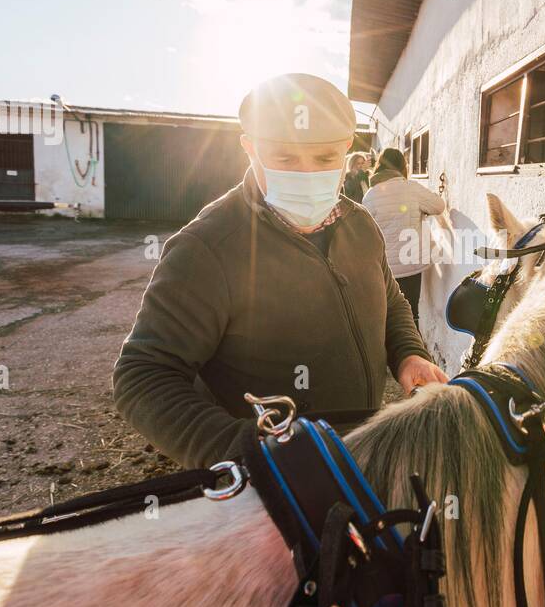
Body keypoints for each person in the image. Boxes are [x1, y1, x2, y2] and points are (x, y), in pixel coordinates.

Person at [113, 74, 449, 470]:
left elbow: (391, 301)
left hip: (359, 456)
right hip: (271, 484)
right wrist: (247, 451)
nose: (307, 174)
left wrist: (409, 354)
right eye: (285, 159)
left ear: (346, 150)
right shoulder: (207, 248)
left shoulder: (360, 224)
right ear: (250, 149)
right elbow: (144, 375)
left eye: (325, 159)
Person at [362, 147, 447, 326]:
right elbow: (438, 206)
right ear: (402, 166)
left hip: (384, 268)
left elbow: (366, 233)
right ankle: (412, 350)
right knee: (410, 314)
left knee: (387, 314)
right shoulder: (411, 188)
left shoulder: (370, 195)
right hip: (410, 265)